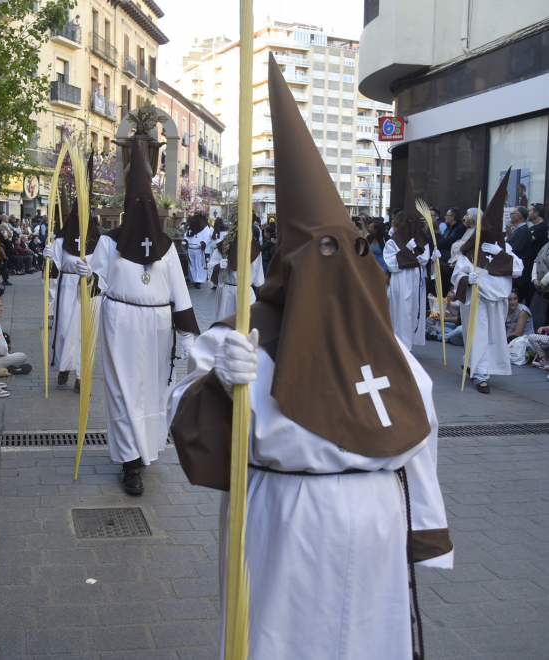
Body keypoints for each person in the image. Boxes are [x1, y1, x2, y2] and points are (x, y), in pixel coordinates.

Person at [168, 56, 452, 660]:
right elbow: (180, 410)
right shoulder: (240, 337)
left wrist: (425, 529)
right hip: (284, 524)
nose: (339, 264)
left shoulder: (390, 349)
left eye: (349, 249)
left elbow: (421, 435)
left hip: (377, 522)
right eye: (323, 250)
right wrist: (216, 382)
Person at [61, 108, 200, 495]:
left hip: (156, 326)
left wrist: (188, 333)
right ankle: (128, 463)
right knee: (123, 391)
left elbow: (180, 292)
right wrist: (81, 270)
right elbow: (91, 278)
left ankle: (146, 448)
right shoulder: (109, 242)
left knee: (151, 389)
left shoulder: (166, 248)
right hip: (119, 322)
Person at [451, 170, 525, 393]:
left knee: (493, 336)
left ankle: (473, 362)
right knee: (479, 334)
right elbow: (457, 275)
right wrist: (467, 278)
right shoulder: (469, 251)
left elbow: (519, 269)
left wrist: (501, 254)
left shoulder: (504, 248)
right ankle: (480, 374)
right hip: (478, 298)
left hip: (499, 299)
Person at [44, 174, 102, 392]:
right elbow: (54, 268)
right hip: (67, 289)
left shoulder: (98, 240)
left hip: (87, 292)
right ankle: (64, 366)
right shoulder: (61, 240)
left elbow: (104, 269)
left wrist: (91, 272)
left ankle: (81, 374)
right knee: (63, 331)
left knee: (83, 333)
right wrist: (48, 256)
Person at [384, 188, 431, 351]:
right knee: (401, 311)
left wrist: (417, 251)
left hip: (415, 278)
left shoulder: (421, 241)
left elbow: (423, 259)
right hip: (401, 279)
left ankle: (408, 344)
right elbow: (392, 264)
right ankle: (400, 345)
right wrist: (406, 252)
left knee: (413, 309)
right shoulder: (393, 242)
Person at [212, 215, 265, 324]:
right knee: (227, 326)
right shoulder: (224, 245)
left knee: (245, 326)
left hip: (243, 292)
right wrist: (219, 267)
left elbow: (258, 280)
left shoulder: (254, 249)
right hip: (228, 291)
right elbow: (258, 280)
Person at [436, 207, 467, 295]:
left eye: (447, 215)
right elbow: (441, 240)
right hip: (442, 260)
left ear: (452, 217)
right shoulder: (447, 228)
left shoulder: (460, 228)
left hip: (450, 262)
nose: (445, 217)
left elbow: (450, 242)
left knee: (447, 289)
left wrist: (442, 243)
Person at [506, 205, 534, 303]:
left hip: (519, 274)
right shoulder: (517, 230)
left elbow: (514, 249)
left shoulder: (524, 231)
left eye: (512, 214)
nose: (510, 216)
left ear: (518, 216)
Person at [183, 213, 212, 288]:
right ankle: (194, 279)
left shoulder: (204, 228)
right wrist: (185, 240)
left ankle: (198, 281)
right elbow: (186, 235)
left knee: (199, 265)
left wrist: (203, 242)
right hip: (191, 249)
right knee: (192, 265)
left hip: (198, 250)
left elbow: (207, 237)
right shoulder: (190, 227)